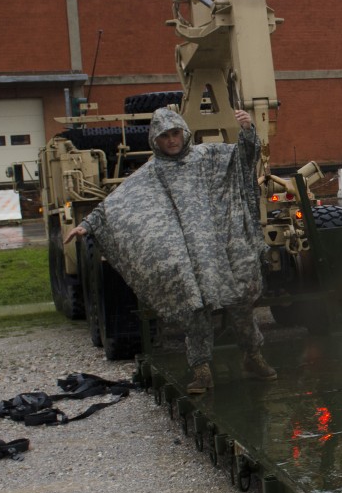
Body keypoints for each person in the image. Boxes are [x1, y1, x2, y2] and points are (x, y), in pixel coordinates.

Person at [65, 106, 277, 395]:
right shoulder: (152, 173)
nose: (172, 140)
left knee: (240, 302)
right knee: (196, 309)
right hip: (189, 256)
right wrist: (87, 225)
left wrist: (248, 131)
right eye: (165, 136)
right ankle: (201, 371)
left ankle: (253, 356)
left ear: (184, 133)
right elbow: (118, 203)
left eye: (176, 133)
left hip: (220, 248)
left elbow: (243, 158)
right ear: (156, 139)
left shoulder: (206, 156)